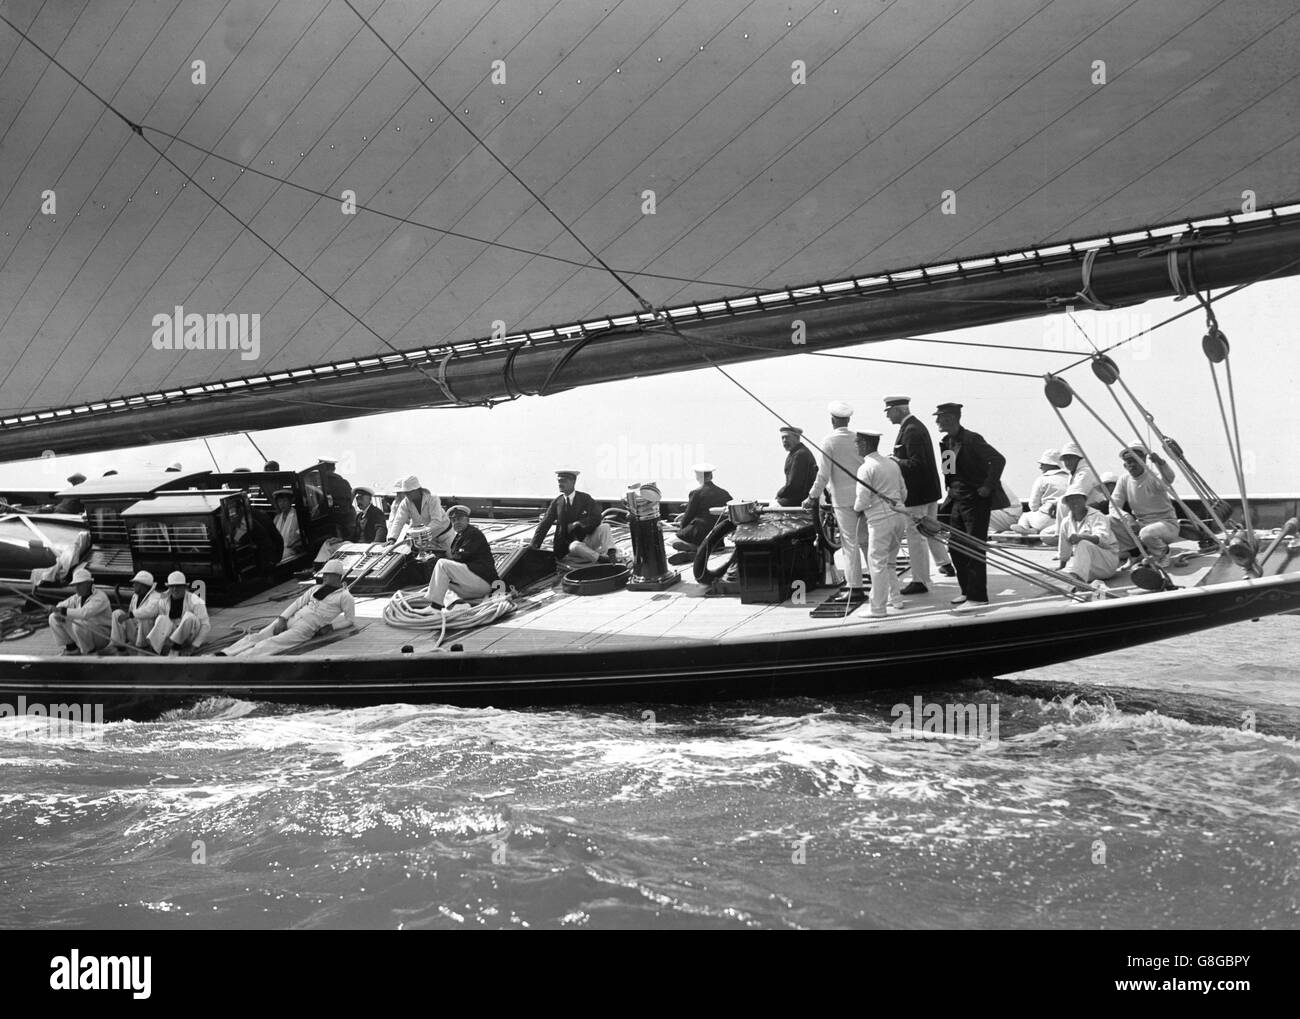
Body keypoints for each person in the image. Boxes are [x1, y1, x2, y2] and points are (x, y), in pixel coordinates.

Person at [935, 403, 1007, 606]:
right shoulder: (946, 441)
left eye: (940, 418)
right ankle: (966, 590)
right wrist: (949, 493)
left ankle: (978, 597)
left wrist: (987, 486)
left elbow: (998, 460)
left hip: (975, 502)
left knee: (974, 548)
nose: (937, 422)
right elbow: (948, 471)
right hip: (957, 501)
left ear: (950, 418)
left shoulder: (972, 439)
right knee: (956, 548)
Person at [885, 395, 955, 594]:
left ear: (899, 410)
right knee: (930, 530)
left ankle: (920, 581)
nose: (888, 416)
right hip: (928, 491)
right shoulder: (914, 427)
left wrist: (895, 461)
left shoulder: (911, 431)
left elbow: (916, 464)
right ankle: (945, 563)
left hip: (917, 494)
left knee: (916, 536)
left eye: (889, 412)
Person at [224, 559, 355, 656]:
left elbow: (350, 620)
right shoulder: (315, 589)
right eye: (324, 573)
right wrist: (282, 618)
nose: (324, 576)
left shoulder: (345, 596)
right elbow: (298, 603)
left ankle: (241, 659)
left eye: (328, 574)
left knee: (273, 643)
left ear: (337, 576)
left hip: (307, 627)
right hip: (294, 617)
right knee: (260, 635)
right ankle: (226, 654)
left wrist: (331, 627)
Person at [802, 401, 866, 592]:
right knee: (866, 541)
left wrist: (812, 497)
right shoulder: (859, 439)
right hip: (863, 497)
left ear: (832, 420)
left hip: (843, 501)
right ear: (848, 419)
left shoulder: (829, 441)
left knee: (849, 543)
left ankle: (855, 587)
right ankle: (880, 585)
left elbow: (823, 475)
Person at [853, 430, 908, 618]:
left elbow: (862, 500)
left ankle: (877, 608)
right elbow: (904, 492)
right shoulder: (892, 464)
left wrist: (855, 509)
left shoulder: (865, 468)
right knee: (890, 562)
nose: (855, 444)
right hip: (900, 517)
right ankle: (896, 599)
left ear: (865, 444)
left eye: (857, 442)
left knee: (876, 563)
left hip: (880, 521)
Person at [1111, 445, 1179, 565]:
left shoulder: (1152, 477)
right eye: (1129, 462)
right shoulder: (1124, 480)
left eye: (1135, 460)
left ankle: (1163, 553)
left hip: (1166, 525)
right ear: (1124, 465)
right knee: (1109, 520)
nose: (1132, 465)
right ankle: (1136, 553)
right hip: (1141, 524)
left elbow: (1168, 479)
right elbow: (1113, 505)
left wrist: (1161, 463)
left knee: (1147, 533)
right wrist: (1127, 518)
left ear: (1144, 461)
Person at [531, 469, 614, 565]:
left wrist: (579, 523)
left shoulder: (585, 498)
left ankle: (611, 554)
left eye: (563, 481)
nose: (560, 484)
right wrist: (534, 545)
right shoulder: (557, 502)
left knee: (605, 526)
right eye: (559, 481)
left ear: (573, 482)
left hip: (587, 540)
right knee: (575, 546)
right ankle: (601, 559)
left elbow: (596, 518)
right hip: (570, 547)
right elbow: (544, 524)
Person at [425, 505, 500, 608]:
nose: (457, 522)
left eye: (460, 519)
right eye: (454, 520)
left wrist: (436, 560)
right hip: (471, 586)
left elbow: (460, 558)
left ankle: (435, 608)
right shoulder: (459, 537)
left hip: (483, 582)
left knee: (442, 564)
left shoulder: (473, 533)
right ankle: (457, 605)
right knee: (440, 584)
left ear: (468, 520)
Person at [1056, 485, 1121, 582]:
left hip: (1106, 563)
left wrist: (1081, 537)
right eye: (1070, 500)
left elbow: (1103, 539)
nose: (1074, 502)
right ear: (1067, 504)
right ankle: (1076, 578)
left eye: (1077, 498)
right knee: (1059, 577)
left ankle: (1078, 579)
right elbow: (1064, 546)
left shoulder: (1097, 516)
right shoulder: (1066, 522)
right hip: (1087, 566)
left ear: (1084, 500)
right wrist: (1062, 566)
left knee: (1083, 543)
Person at [49, 567, 111, 655]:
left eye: (80, 584)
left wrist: (62, 610)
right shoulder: (77, 597)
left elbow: (84, 613)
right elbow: (62, 605)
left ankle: (90, 652)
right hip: (85, 633)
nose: (76, 588)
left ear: (89, 583)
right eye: (75, 585)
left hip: (102, 636)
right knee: (53, 617)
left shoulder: (100, 597)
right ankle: (72, 649)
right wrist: (56, 609)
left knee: (79, 623)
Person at [147, 571, 211, 655]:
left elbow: (205, 625)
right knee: (161, 618)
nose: (175, 589)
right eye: (172, 586)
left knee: (189, 617)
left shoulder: (195, 600)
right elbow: (162, 625)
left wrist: (194, 646)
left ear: (184, 587)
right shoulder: (163, 601)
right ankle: (156, 648)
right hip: (172, 634)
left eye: (178, 586)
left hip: (189, 635)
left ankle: (175, 647)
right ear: (168, 587)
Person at [673, 463, 732, 551]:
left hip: (699, 534)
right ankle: (709, 548)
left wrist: (682, 530)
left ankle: (696, 549)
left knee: (670, 542)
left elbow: (688, 516)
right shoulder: (724, 492)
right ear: (711, 476)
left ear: (697, 477)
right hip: (717, 535)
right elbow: (730, 510)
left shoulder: (696, 493)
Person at [1012, 450, 1070, 534]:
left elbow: (1033, 506)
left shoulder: (1042, 479)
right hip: (1064, 520)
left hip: (1045, 519)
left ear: (1050, 464)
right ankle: (1033, 531)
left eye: (1042, 464)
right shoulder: (1070, 479)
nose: (1040, 467)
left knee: (1025, 516)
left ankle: (1025, 533)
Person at [388, 475, 452, 550]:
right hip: (427, 538)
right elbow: (399, 521)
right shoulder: (405, 503)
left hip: (444, 535)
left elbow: (436, 521)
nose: (407, 495)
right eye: (405, 492)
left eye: (409, 492)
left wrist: (419, 534)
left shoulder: (433, 498)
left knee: (450, 558)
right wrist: (392, 538)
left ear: (418, 490)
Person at [110, 570, 163, 651]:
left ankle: (143, 648)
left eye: (136, 583)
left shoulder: (157, 596)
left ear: (143, 585)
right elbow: (130, 611)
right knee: (116, 613)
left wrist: (130, 615)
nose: (133, 585)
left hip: (147, 638)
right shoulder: (135, 596)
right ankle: (118, 645)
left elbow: (149, 611)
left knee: (144, 618)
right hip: (135, 632)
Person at [775, 426, 817, 506]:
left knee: (771, 510)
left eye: (787, 437)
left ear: (797, 438)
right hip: (796, 498)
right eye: (782, 438)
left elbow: (794, 484)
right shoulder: (795, 453)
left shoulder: (800, 454)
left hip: (800, 500)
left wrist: (779, 494)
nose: (784, 441)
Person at [318, 460, 354, 539]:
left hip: (328, 524)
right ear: (334, 468)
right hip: (345, 522)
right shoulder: (344, 482)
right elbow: (350, 500)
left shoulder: (321, 482)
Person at [272, 488, 304, 562]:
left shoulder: (297, 516)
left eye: (285, 501)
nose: (282, 504)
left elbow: (302, 537)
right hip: (278, 549)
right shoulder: (277, 518)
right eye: (279, 501)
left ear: (290, 501)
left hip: (292, 550)